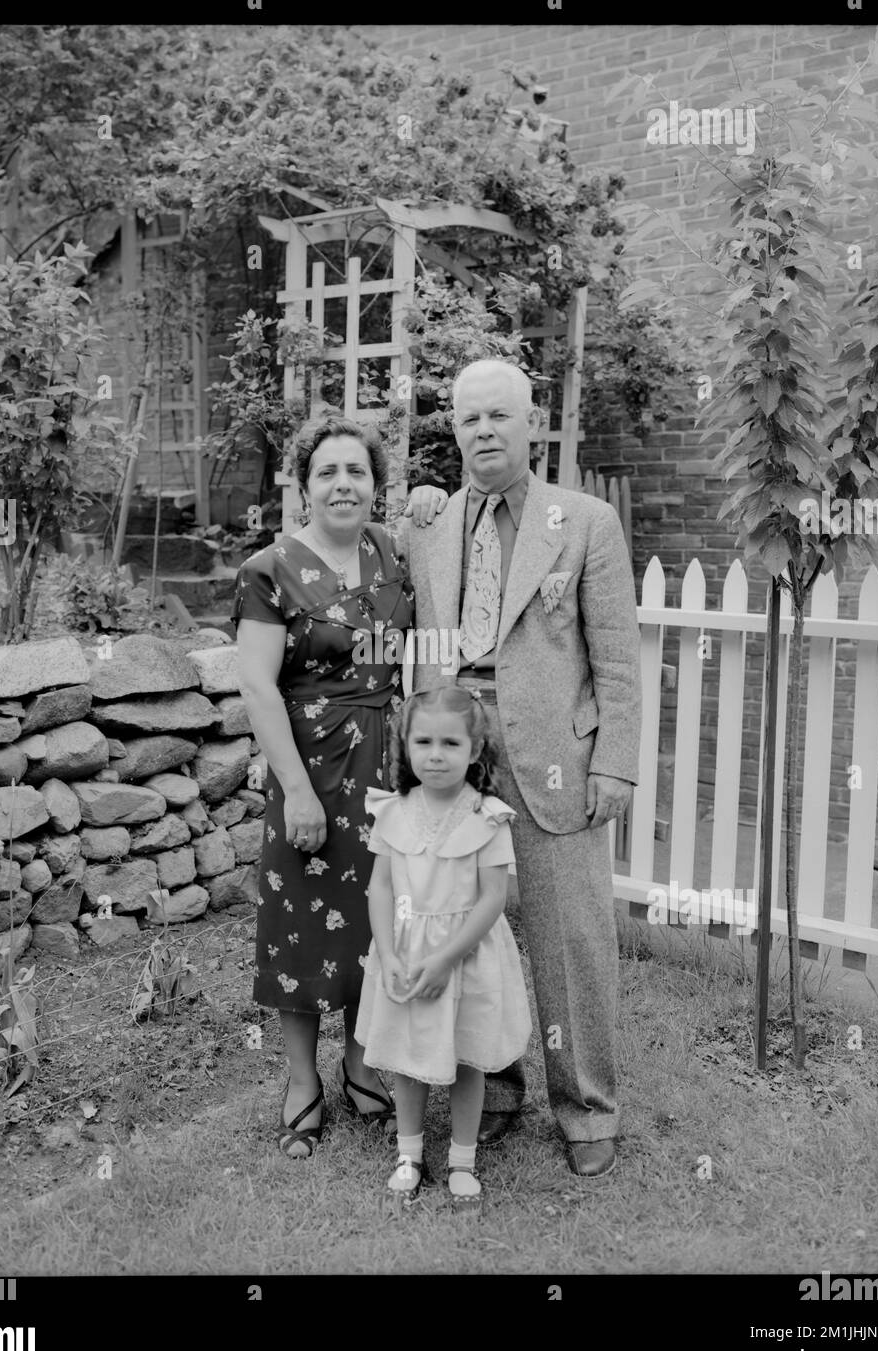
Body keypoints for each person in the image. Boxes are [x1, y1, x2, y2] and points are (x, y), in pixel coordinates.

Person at [397, 359, 642, 1177]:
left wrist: (615, 764)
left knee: (570, 938)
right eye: (469, 420)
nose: (484, 432)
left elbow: (616, 661)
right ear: (454, 428)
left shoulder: (584, 522)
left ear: (529, 422)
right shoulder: (428, 522)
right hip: (456, 758)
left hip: (558, 761)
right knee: (473, 931)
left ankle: (588, 1111)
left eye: (499, 416)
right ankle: (494, 1091)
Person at [232, 417, 445, 1159]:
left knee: (372, 924)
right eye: (328, 472)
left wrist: (428, 495)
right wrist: (295, 791)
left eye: (357, 471)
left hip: (384, 770)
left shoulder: (392, 552)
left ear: (374, 485)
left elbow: (448, 529)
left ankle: (360, 1064)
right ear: (304, 485)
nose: (343, 484)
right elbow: (258, 688)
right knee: (299, 927)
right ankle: (300, 1082)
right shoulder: (271, 568)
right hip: (310, 768)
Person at [355, 686, 531, 1208]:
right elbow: (381, 887)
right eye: (424, 741)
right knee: (408, 1060)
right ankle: (408, 1154)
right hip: (406, 952)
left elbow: (493, 898)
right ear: (405, 745)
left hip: (465, 956)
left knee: (467, 1059)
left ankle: (462, 1160)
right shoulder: (393, 812)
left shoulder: (487, 817)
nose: (436, 754)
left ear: (475, 751)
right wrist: (387, 954)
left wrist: (448, 956)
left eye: (451, 743)